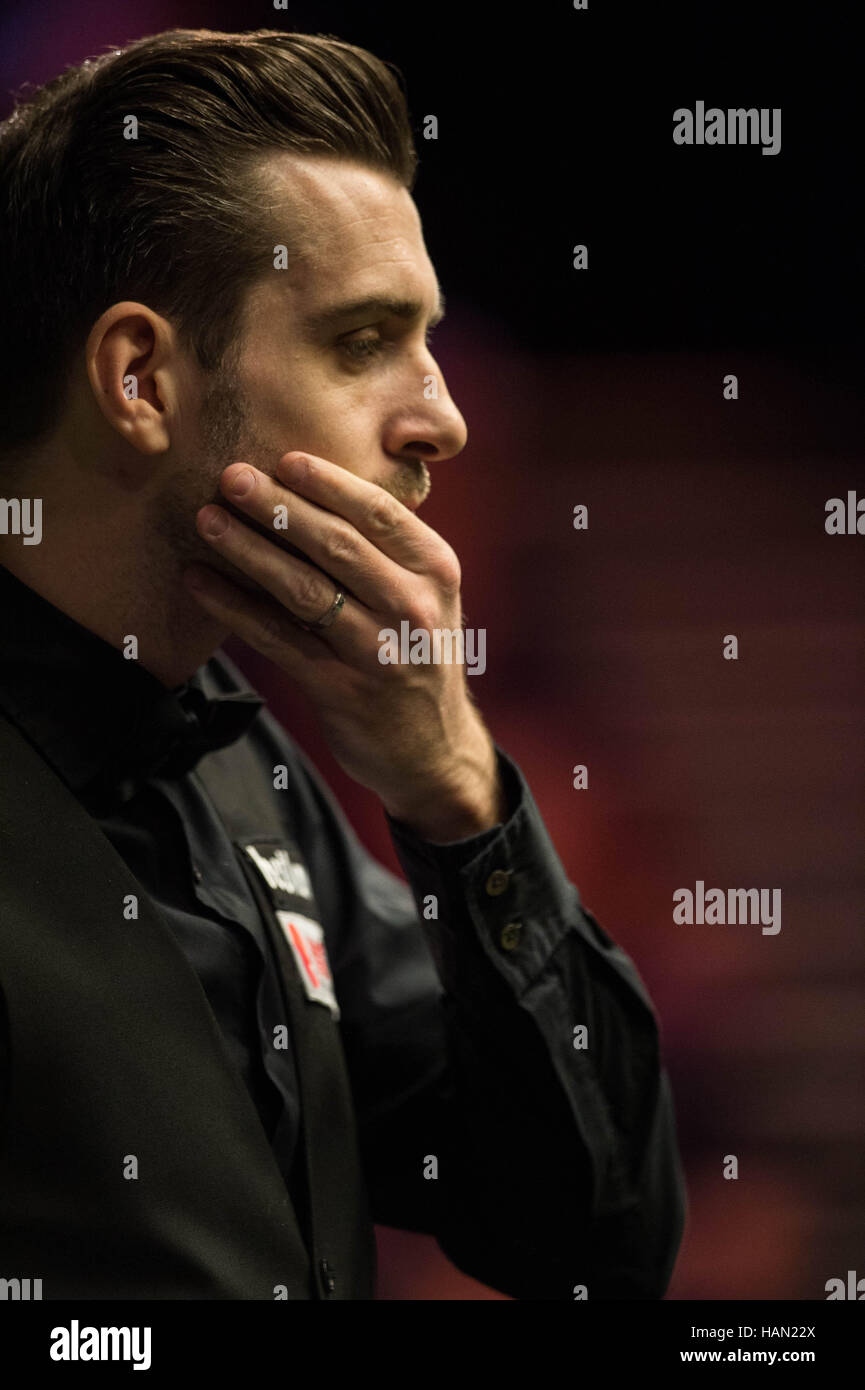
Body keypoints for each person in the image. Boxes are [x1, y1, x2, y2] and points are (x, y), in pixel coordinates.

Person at [0, 28, 686, 1300]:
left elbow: (592, 1240)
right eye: (364, 339)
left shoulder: (239, 752)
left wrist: (457, 794)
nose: (444, 415)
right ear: (140, 377)